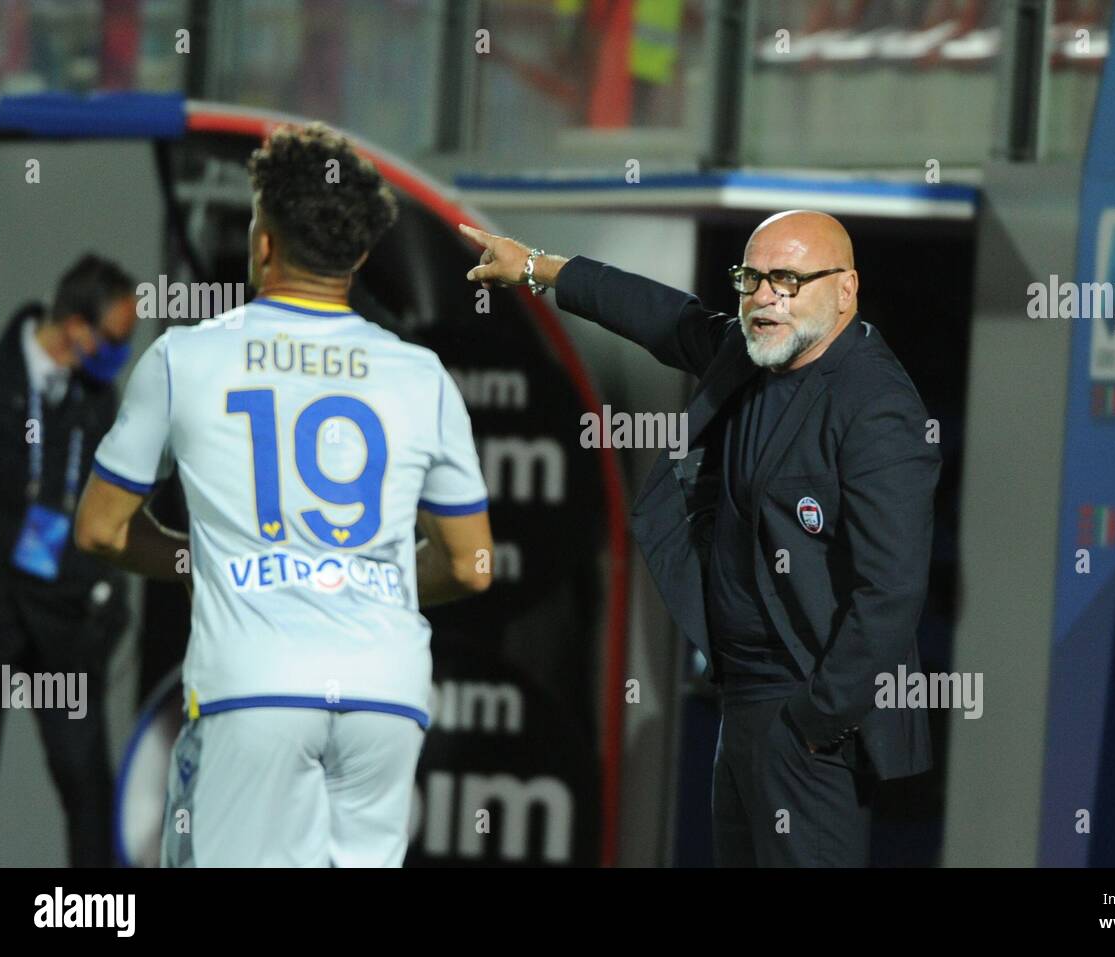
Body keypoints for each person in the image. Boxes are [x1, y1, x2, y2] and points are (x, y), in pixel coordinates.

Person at [461, 211, 940, 867]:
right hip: (743, 700)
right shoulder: (748, 355)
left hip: (808, 720)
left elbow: (892, 590)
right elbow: (663, 316)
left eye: (788, 280)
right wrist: (539, 267)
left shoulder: (875, 403)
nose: (765, 297)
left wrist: (813, 721)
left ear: (846, 289)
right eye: (752, 278)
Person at [74, 123, 493, 867]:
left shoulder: (187, 356)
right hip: (386, 699)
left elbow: (102, 529)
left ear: (262, 242)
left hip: (255, 691)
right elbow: (471, 566)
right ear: (360, 255)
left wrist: (197, 560)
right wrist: (365, 581)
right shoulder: (421, 375)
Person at [0, 254, 138, 867]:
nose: (120, 353)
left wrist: (105, 606)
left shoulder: (99, 399)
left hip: (66, 622)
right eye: (115, 338)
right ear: (75, 325)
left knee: (87, 786)